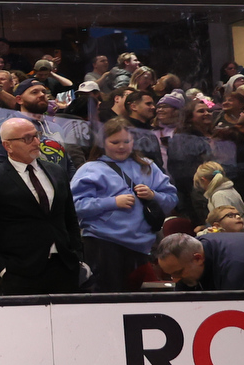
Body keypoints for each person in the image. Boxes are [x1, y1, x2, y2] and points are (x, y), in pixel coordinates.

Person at [0, 117, 83, 295]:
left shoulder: (56, 172)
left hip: (64, 266)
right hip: (20, 273)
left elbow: (70, 219)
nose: (37, 142)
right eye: (27, 138)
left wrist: (78, 257)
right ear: (8, 146)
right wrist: (2, 270)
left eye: (36, 136)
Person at [70, 116, 178, 293]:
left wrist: (153, 195)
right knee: (110, 299)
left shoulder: (148, 167)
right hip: (103, 245)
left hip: (142, 248)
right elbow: (76, 206)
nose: (121, 146)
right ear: (103, 143)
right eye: (115, 142)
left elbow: (172, 198)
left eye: (126, 141)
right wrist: (112, 202)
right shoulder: (90, 170)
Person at [155, 230, 244, 291]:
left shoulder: (236, 270)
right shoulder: (198, 245)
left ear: (198, 259)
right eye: (171, 275)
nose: (175, 280)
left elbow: (236, 318)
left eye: (178, 273)